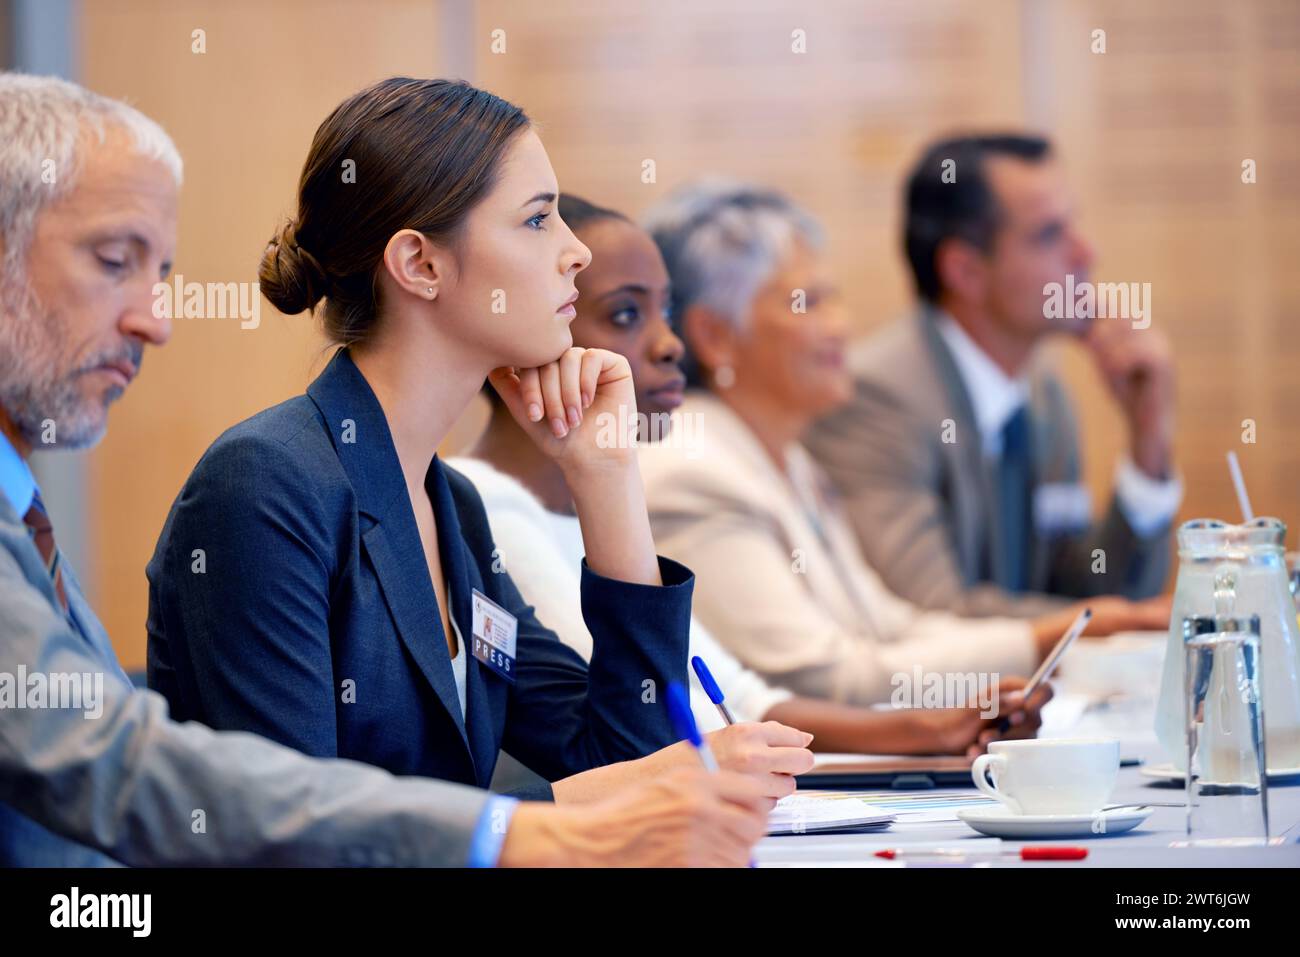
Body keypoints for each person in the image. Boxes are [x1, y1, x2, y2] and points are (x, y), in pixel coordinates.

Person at [0, 72, 768, 868]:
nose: (576, 253)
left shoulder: (454, 507)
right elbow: (281, 830)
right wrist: (551, 823)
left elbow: (623, 763)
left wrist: (605, 478)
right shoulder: (264, 484)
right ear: (420, 265)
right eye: (539, 219)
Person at [458, 193, 1052, 756]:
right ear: (530, 329)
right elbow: (652, 728)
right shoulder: (491, 505)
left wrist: (932, 727)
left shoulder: (591, 492)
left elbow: (736, 697)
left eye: (664, 314)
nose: (670, 345)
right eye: (624, 315)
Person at [638, 181, 1171, 706]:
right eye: (809, 303)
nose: (841, 327)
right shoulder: (695, 468)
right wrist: (1053, 638)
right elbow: (818, 677)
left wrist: (1080, 629)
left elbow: (889, 624)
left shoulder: (786, 458)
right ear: (713, 336)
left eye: (833, 298)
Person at [804, 134, 1179, 617]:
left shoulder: (1044, 397)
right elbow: (933, 614)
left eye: (1074, 226)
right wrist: (1123, 621)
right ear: (965, 271)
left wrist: (1150, 440)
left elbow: (1084, 591)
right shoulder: (874, 400)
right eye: (1049, 235)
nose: (1086, 253)